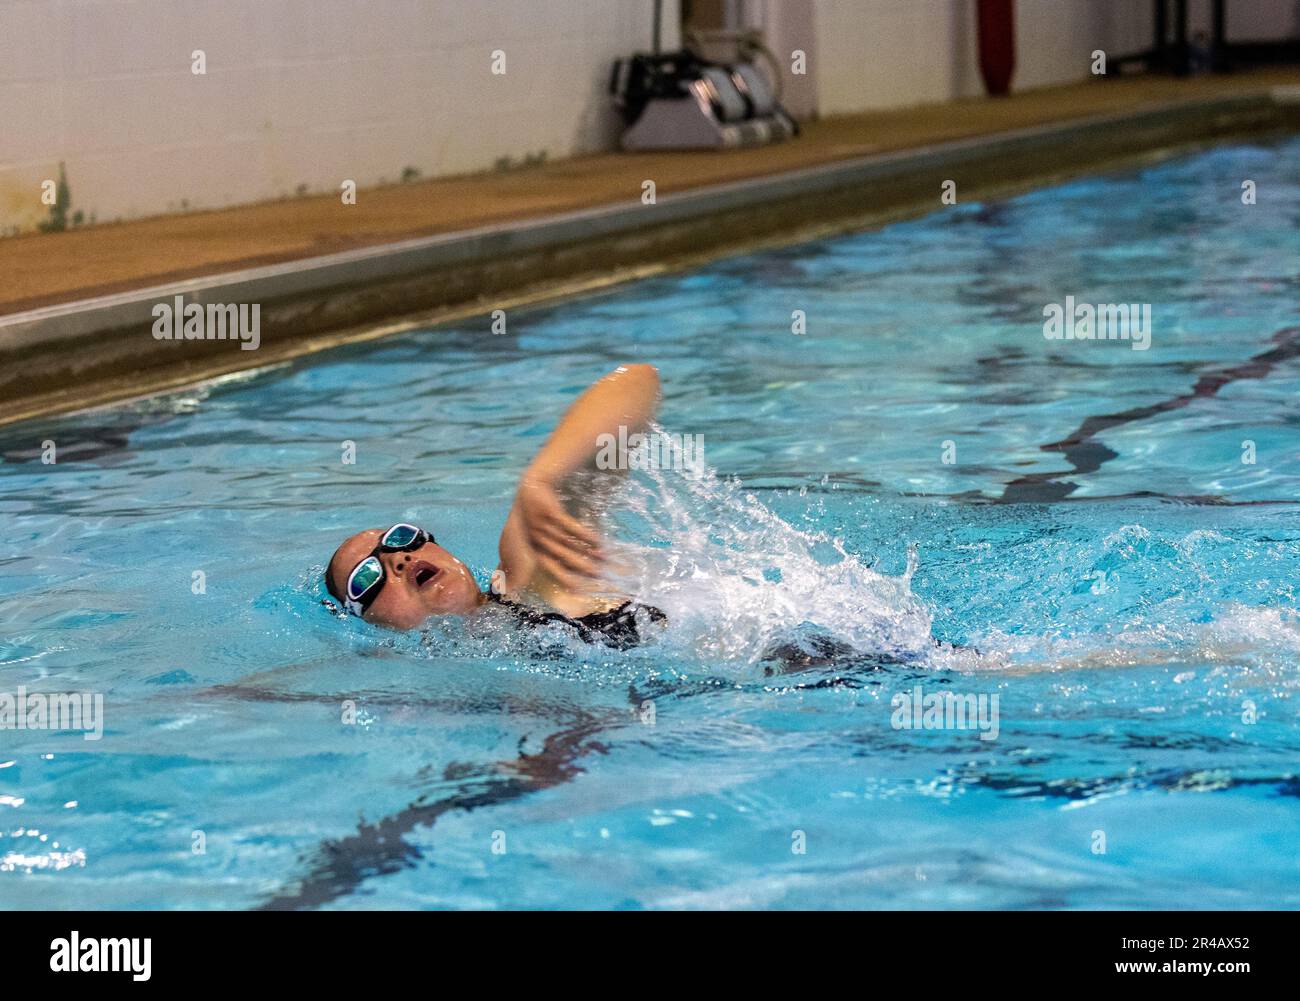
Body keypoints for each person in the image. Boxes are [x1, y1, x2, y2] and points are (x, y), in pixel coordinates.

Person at [323, 363, 666, 647]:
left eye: (400, 537)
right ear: (367, 624)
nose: (397, 558)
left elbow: (638, 382)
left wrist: (543, 478)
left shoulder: (530, 577)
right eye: (366, 576)